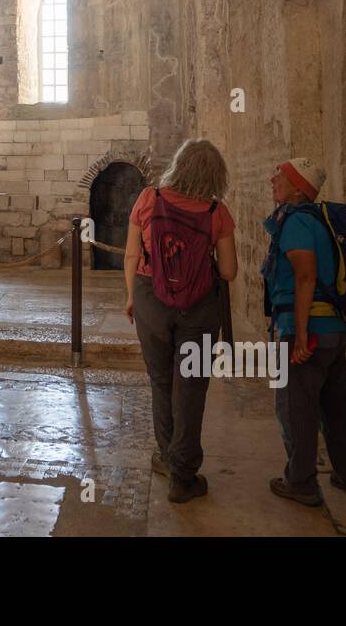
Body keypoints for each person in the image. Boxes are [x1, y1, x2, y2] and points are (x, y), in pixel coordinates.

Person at [125, 138, 237, 503]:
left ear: (177, 164)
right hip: (200, 307)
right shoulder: (216, 212)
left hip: (150, 299)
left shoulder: (148, 199)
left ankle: (166, 456)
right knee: (191, 386)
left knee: (160, 380)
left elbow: (130, 255)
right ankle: (184, 475)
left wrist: (132, 297)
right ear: (216, 175)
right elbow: (231, 271)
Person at [262, 157, 346, 506]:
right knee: (337, 404)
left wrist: (298, 334)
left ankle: (301, 482)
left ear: (298, 188)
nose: (272, 179)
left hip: (310, 329)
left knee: (295, 406)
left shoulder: (296, 223)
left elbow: (305, 277)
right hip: (336, 329)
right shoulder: (322, 220)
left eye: (279, 176)